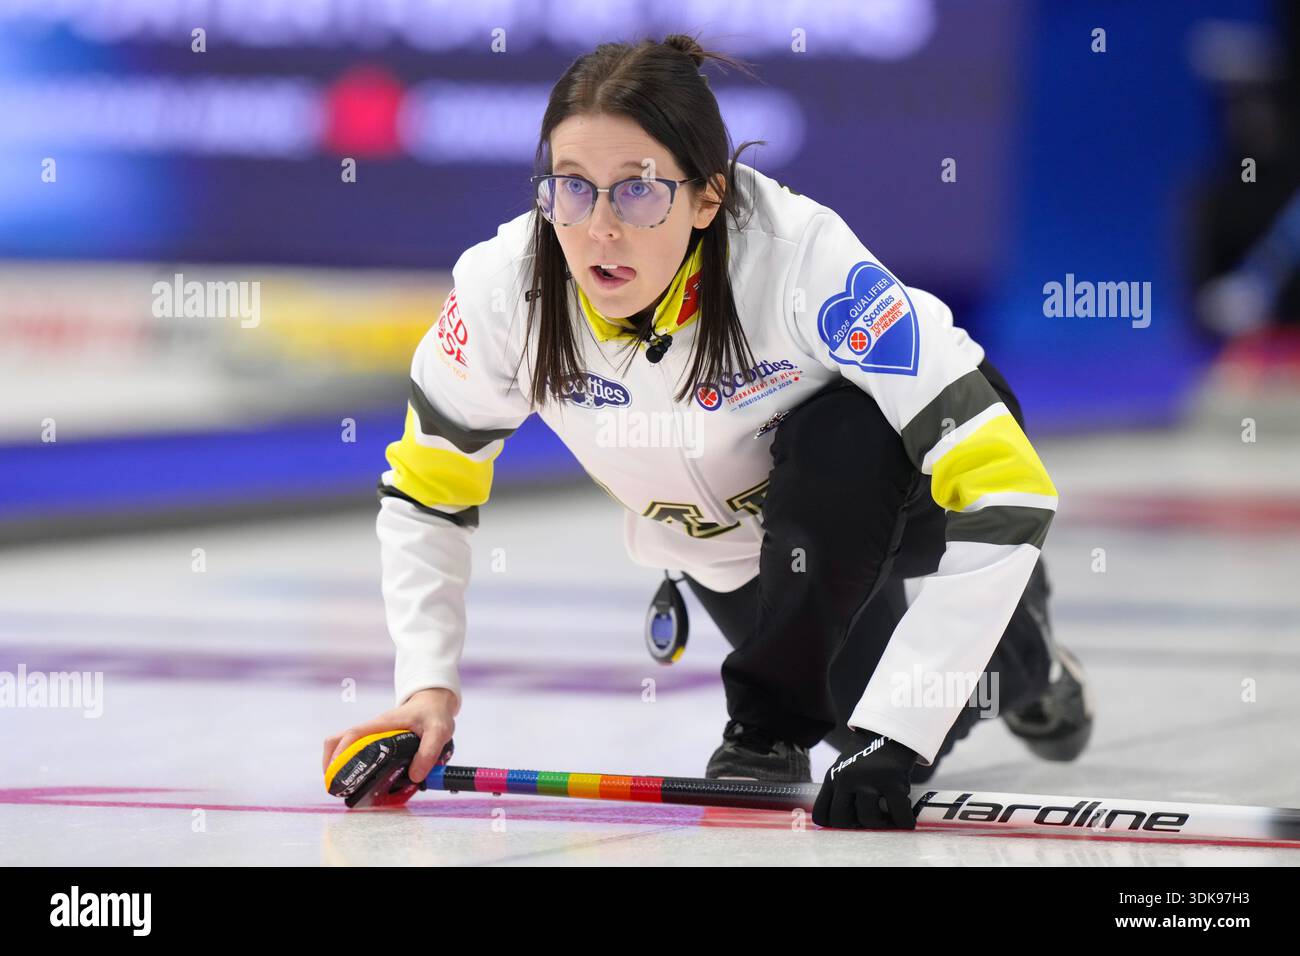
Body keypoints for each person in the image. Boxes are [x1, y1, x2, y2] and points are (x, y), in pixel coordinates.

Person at [323, 34, 1091, 829]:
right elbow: (424, 493)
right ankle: (1029, 662)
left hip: (895, 489)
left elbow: (1008, 484)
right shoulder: (501, 293)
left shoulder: (804, 262)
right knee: (886, 718)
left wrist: (899, 737)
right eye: (572, 189)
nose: (599, 231)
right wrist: (425, 689)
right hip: (735, 550)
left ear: (708, 197)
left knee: (845, 462)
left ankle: (771, 722)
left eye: (639, 192)